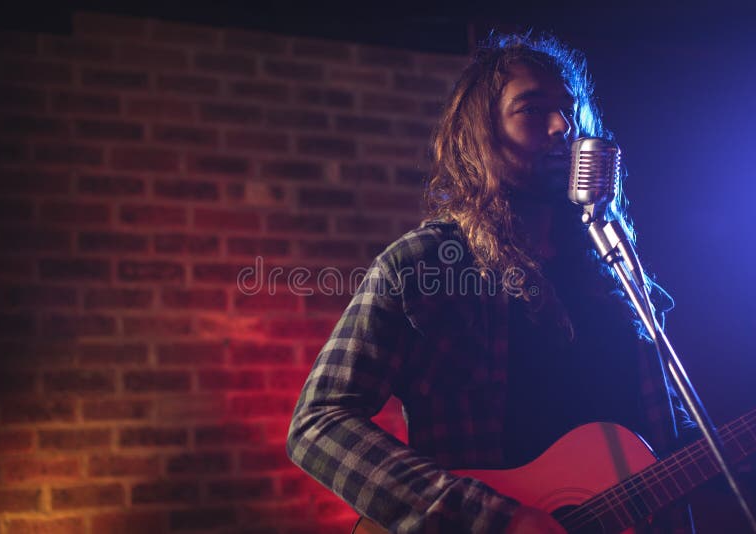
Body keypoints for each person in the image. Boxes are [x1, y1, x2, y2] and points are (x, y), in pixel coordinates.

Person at [286, 32, 698, 533]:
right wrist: (494, 518)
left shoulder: (613, 271)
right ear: (479, 136)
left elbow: (669, 443)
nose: (561, 126)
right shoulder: (427, 264)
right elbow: (319, 423)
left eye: (569, 110)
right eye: (532, 109)